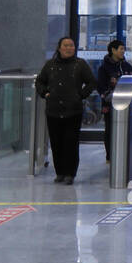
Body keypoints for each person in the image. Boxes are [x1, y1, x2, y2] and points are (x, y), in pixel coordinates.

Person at [35, 36, 97, 184]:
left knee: (71, 143)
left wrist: (80, 95)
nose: (69, 48)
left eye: (72, 45)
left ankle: (70, 173)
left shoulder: (80, 64)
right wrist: (45, 93)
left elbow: (91, 82)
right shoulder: (50, 65)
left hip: (73, 110)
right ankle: (60, 173)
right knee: (56, 143)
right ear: (59, 48)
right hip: (53, 110)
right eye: (66, 45)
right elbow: (40, 81)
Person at [97, 39, 132, 162]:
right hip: (110, 104)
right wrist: (111, 96)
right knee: (110, 129)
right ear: (113, 50)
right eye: (120, 49)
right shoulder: (104, 68)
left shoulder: (127, 66)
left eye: (124, 49)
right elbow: (101, 87)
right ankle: (110, 155)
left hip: (126, 104)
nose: (123, 51)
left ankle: (124, 154)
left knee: (126, 128)